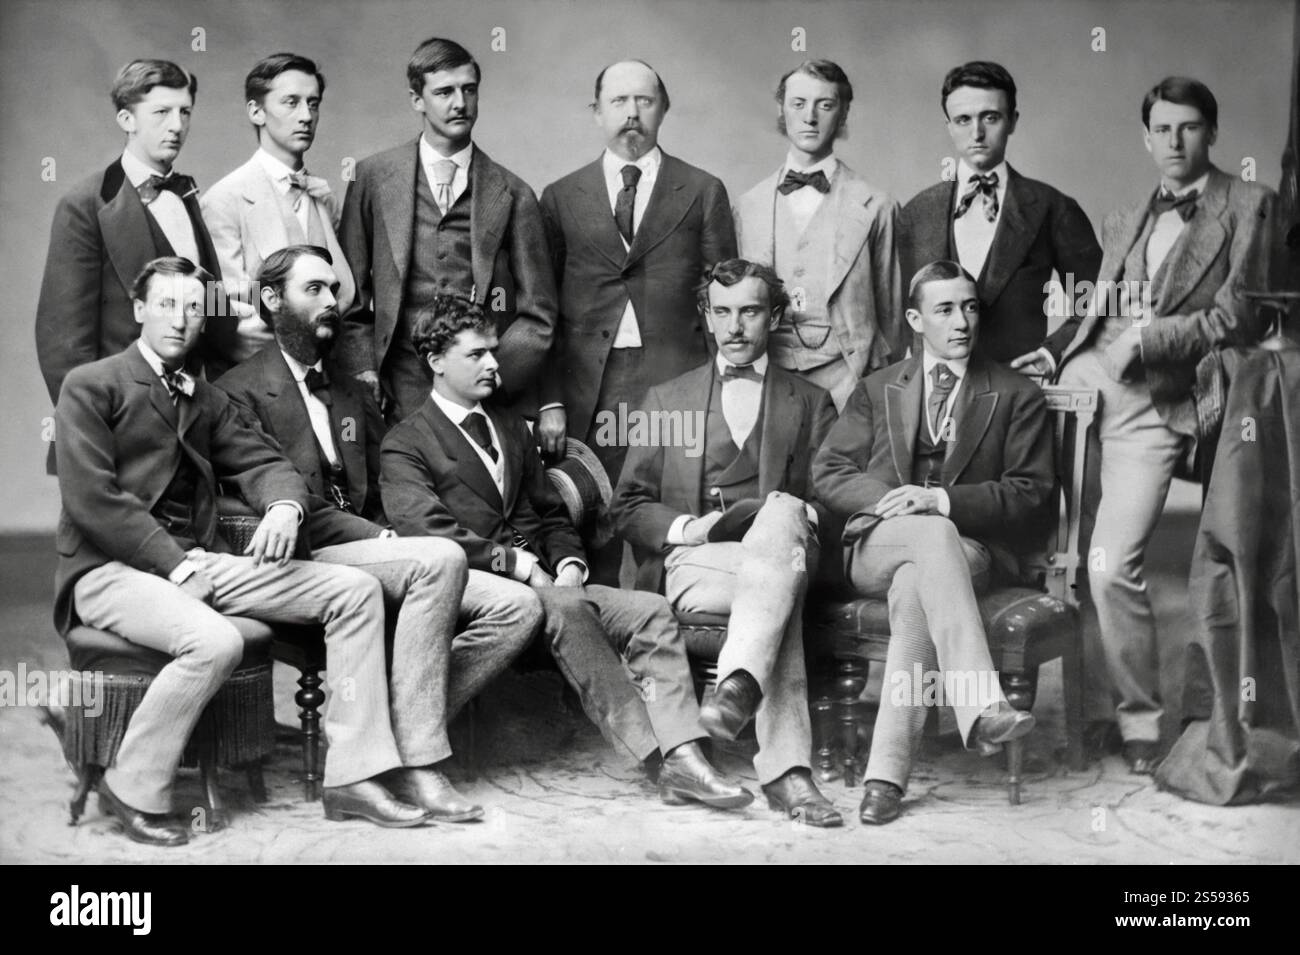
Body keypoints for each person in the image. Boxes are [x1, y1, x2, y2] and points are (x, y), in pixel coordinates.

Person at [53, 257, 447, 846]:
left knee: (355, 590)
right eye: (166, 305)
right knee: (216, 640)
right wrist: (178, 566)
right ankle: (131, 783)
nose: (181, 320)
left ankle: (354, 775)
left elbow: (266, 463)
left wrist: (286, 505)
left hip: (198, 563)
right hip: (112, 570)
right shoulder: (92, 385)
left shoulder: (205, 397)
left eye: (193, 307)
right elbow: (95, 500)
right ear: (139, 311)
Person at [380, 294, 753, 811]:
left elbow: (551, 514)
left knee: (650, 610)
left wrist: (571, 561)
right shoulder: (405, 443)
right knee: (570, 607)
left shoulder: (510, 428)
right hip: (478, 592)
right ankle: (660, 759)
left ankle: (685, 749)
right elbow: (426, 530)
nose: (493, 363)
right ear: (436, 363)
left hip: (552, 587)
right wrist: (518, 564)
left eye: (493, 351)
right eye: (476, 355)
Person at [216, 245, 545, 818]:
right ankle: (420, 761)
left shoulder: (350, 390)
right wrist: (386, 537)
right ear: (272, 301)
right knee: (439, 559)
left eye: (334, 291)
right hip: (304, 556)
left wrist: (392, 532)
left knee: (517, 607)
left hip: (381, 550)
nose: (330, 303)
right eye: (313, 290)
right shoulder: (236, 391)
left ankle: (387, 727)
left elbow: (386, 484)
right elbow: (275, 493)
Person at [1056, 77, 1279, 774]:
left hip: (1156, 400)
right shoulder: (1129, 214)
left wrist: (1145, 342)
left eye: (1188, 128)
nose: (1174, 142)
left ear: (1211, 133)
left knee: (1107, 563)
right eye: (1162, 129)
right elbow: (1100, 306)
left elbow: (1239, 316)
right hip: (1086, 374)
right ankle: (1072, 709)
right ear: (1145, 135)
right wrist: (1062, 348)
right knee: (1047, 547)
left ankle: (1141, 722)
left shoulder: (1251, 205)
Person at [813, 260, 1055, 825]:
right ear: (915, 319)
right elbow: (829, 471)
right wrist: (893, 499)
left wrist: (941, 501)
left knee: (918, 584)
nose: (962, 321)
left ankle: (884, 780)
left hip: (969, 548)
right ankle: (980, 703)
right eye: (945, 310)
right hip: (878, 542)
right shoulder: (877, 389)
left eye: (970, 306)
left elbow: (1030, 494)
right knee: (924, 543)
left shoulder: (1015, 394)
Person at [614, 259, 842, 826]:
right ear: (707, 317)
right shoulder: (668, 400)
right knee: (778, 592)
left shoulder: (811, 402)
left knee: (782, 533)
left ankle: (742, 695)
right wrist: (688, 529)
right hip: (697, 565)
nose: (735, 326)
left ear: (776, 316)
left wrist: (791, 516)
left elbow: (834, 508)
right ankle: (789, 775)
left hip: (780, 557)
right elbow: (628, 505)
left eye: (750, 311)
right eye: (722, 312)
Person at [539, 59, 738, 585]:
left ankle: (667, 646)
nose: (632, 113)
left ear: (664, 109)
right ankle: (594, 651)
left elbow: (723, 298)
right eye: (619, 102)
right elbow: (541, 310)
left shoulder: (701, 189)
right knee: (591, 520)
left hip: (676, 386)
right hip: (591, 389)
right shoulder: (560, 197)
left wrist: (719, 397)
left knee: (666, 517)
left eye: (645, 101)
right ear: (596, 112)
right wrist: (551, 398)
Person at [338, 37, 555, 422]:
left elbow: (539, 313)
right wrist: (364, 368)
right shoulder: (371, 179)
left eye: (469, 90)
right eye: (444, 92)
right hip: (397, 385)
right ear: (416, 99)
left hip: (483, 395)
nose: (460, 103)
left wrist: (490, 372)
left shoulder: (515, 193)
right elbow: (351, 294)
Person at [36, 60, 235, 472]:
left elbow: (211, 301)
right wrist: (99, 425)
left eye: (184, 112)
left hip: (195, 418)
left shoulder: (186, 195)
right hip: (122, 426)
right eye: (161, 113)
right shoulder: (86, 204)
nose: (176, 125)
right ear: (126, 119)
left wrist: (262, 303)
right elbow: (63, 342)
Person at [898, 61, 1102, 373]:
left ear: (1012, 121)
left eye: (990, 117)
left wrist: (1052, 354)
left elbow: (1103, 298)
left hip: (1020, 393)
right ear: (949, 126)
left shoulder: (1053, 207)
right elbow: (899, 314)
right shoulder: (916, 213)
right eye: (963, 120)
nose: (977, 133)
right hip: (932, 397)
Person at [733, 60, 904, 410]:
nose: (810, 117)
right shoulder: (747, 206)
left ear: (843, 113)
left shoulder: (877, 206)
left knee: (841, 466)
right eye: (798, 104)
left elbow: (893, 319)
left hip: (849, 382)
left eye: (825, 105)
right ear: (781, 110)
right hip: (767, 377)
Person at [202, 52, 356, 364]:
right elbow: (231, 312)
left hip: (334, 371)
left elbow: (345, 296)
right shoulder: (225, 199)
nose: (306, 116)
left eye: (313, 104)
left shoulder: (323, 197)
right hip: (265, 378)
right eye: (291, 102)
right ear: (257, 111)